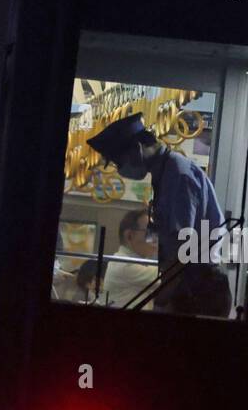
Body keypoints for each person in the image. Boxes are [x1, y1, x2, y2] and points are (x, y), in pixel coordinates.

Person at [88, 111, 231, 318]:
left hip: (198, 288)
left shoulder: (177, 175)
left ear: (137, 149)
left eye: (119, 163)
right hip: (188, 282)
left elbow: (183, 249)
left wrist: (164, 298)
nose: (120, 169)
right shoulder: (164, 173)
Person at [101, 208, 159, 309]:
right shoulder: (124, 264)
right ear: (129, 236)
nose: (155, 239)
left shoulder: (135, 261)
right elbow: (169, 276)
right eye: (150, 233)